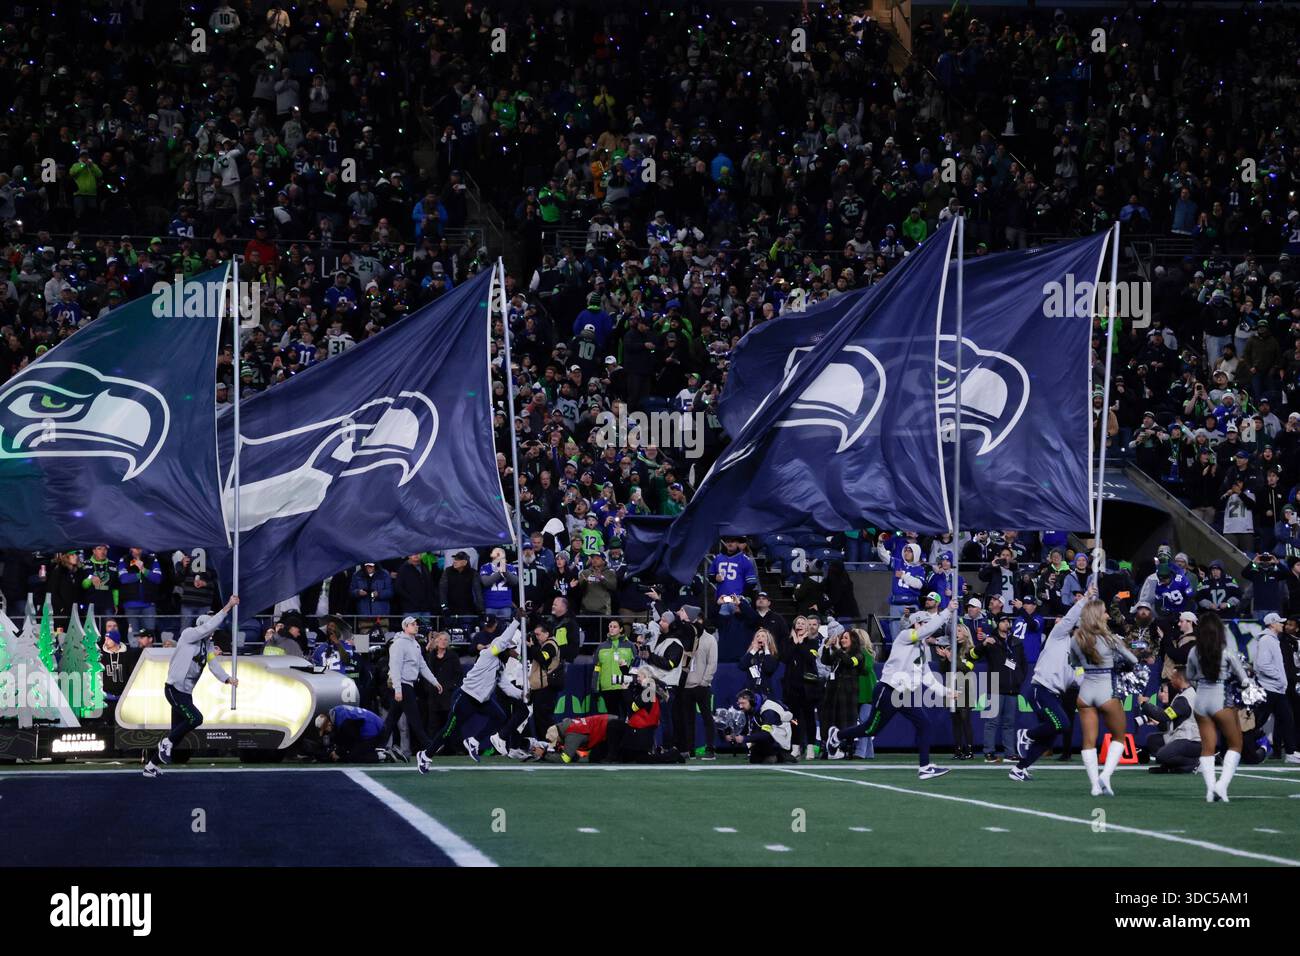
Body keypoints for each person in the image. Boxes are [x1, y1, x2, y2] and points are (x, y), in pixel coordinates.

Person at [827, 599, 958, 779]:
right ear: (916, 624)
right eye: (925, 624)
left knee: (925, 724)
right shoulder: (906, 635)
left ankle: (925, 767)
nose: (929, 629)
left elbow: (928, 678)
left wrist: (947, 692)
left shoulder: (921, 649)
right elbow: (925, 631)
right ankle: (837, 736)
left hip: (903, 696)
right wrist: (947, 611)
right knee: (870, 729)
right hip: (888, 690)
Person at [143, 594, 240, 778]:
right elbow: (208, 627)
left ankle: (151, 766)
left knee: (176, 735)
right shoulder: (188, 634)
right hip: (174, 689)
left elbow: (213, 665)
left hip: (185, 693)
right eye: (209, 627)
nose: (211, 631)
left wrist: (227, 679)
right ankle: (165, 744)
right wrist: (228, 606)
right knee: (196, 719)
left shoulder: (208, 646)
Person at [1009, 585, 1094, 782]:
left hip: (1053, 694)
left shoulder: (1077, 657)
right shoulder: (1058, 636)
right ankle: (1027, 734)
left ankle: (1019, 769)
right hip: (1040, 689)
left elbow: (1077, 681)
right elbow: (1070, 618)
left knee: (1050, 736)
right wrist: (1085, 599)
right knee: (1062, 724)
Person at [1070, 595, 1142, 796]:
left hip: (1085, 692)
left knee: (1088, 741)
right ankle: (1106, 776)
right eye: (1104, 612)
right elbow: (1133, 660)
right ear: (1097, 616)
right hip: (1106, 690)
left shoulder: (1076, 639)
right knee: (1119, 736)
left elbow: (1073, 663)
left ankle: (1095, 785)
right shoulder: (1110, 639)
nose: (1108, 615)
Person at [422, 620, 520, 763]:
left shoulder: (500, 665)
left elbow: (506, 687)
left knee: (500, 717)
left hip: (481, 701)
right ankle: (426, 755)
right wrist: (516, 621)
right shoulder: (489, 653)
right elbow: (503, 641)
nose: (512, 653)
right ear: (502, 648)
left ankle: (474, 741)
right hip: (466, 698)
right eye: (509, 650)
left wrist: (523, 694)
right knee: (448, 731)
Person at [1186, 612, 1252, 801]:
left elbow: (1190, 676)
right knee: (1236, 744)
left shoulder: (1194, 652)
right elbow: (1244, 680)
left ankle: (1210, 790)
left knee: (1207, 747)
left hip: (1200, 701)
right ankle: (1221, 785)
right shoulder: (1226, 651)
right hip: (1221, 698)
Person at [381, 616, 444, 771]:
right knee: (414, 718)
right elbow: (395, 667)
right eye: (413, 624)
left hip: (408, 684)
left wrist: (434, 681)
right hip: (402, 684)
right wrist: (397, 689)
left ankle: (379, 745)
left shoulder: (415, 644)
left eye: (416, 624)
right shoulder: (398, 644)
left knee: (392, 718)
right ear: (405, 627)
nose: (416, 626)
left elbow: (422, 666)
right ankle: (429, 745)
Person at [1248, 613, 1299, 762]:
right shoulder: (1267, 640)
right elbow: (1262, 665)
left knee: (1287, 719)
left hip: (1276, 689)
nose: (1282, 625)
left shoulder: (1272, 639)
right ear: (1272, 624)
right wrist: (1279, 677)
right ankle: (1240, 746)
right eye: (1279, 622)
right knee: (1258, 721)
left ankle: (1290, 752)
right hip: (1269, 688)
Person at [1138, 668, 1200, 773]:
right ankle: (1170, 767)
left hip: (1190, 740)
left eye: (1173, 678)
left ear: (1180, 679)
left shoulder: (1184, 699)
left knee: (1161, 756)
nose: (1171, 681)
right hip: (1181, 736)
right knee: (1153, 740)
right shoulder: (1183, 694)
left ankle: (1193, 762)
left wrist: (1144, 704)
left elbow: (1164, 716)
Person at [722, 689, 797, 764]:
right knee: (754, 759)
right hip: (771, 734)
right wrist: (734, 735)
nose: (740, 706)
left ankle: (782, 755)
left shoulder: (768, 711)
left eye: (743, 703)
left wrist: (744, 738)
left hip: (780, 737)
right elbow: (749, 728)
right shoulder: (754, 707)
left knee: (760, 752)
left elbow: (766, 734)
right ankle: (773, 755)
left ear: (752, 701)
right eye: (739, 703)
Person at [316, 705, 387, 763]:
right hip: (374, 725)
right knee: (351, 750)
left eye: (325, 729)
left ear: (328, 724)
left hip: (376, 730)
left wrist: (338, 752)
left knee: (353, 757)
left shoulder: (344, 722)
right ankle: (377, 752)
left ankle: (381, 755)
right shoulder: (337, 711)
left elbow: (351, 739)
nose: (327, 732)